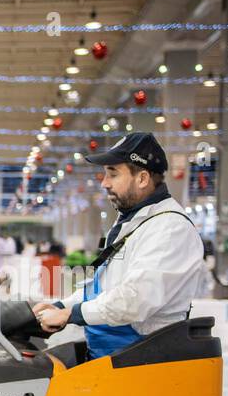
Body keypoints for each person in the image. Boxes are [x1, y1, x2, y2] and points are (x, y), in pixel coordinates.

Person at [34, 132, 209, 359]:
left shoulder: (170, 228)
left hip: (144, 363)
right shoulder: (133, 222)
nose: (104, 183)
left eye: (113, 174)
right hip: (113, 356)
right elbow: (103, 287)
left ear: (143, 179)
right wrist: (60, 305)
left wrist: (71, 314)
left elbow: (135, 299)